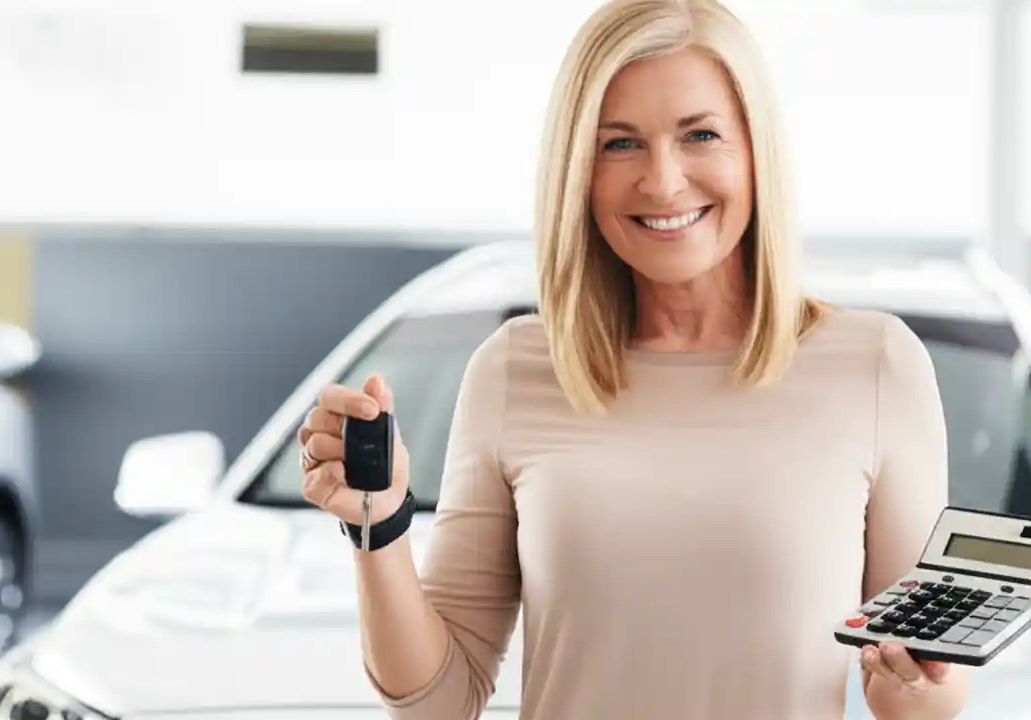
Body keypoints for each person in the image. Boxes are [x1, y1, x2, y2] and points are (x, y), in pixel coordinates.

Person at [296, 0, 969, 717]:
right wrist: (380, 526)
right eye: (619, 144)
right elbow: (437, 702)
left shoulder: (877, 366)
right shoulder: (511, 372)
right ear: (577, 173)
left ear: (755, 149)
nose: (663, 181)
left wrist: (923, 691)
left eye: (699, 135)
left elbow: (924, 689)